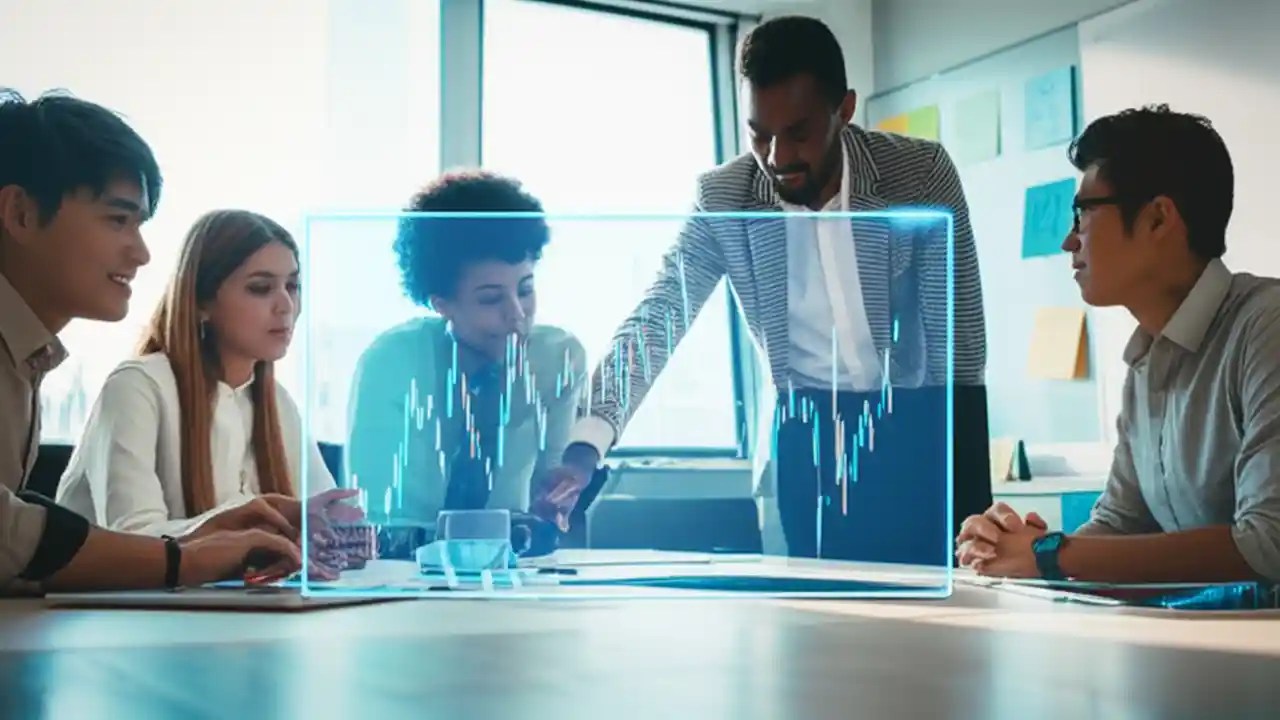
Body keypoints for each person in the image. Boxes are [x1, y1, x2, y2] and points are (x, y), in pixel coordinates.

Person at [531, 15, 989, 565]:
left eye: (797, 133)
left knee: (947, 612)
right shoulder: (726, 196)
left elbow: (958, 337)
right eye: (759, 134)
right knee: (827, 623)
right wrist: (584, 449)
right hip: (807, 431)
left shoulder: (918, 172)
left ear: (844, 110)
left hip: (918, 415)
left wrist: (966, 495)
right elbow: (658, 316)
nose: (776, 157)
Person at [956, 105, 1280, 584]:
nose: (1070, 241)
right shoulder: (1145, 359)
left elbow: (1266, 546)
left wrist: (1051, 555)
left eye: (1082, 214)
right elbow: (1122, 524)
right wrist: (1015, 550)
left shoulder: (1265, 328)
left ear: (1157, 219)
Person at [0, 89, 301, 594]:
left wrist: (196, 542)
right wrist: (182, 559)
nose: (140, 253)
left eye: (293, 286)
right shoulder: (139, 383)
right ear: (21, 214)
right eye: (118, 219)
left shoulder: (27, 359)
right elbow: (11, 537)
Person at [56, 209, 362, 572]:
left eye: (292, 286)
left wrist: (336, 537)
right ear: (202, 302)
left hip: (228, 614)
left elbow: (326, 521)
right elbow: (133, 539)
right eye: (260, 288)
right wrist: (250, 539)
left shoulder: (279, 404)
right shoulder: (138, 387)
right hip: (117, 620)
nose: (286, 305)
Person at [346, 171, 585, 553]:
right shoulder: (393, 362)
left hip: (512, 573)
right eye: (491, 299)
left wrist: (557, 500)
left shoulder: (557, 358)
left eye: (525, 289)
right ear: (442, 303)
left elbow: (550, 504)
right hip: (406, 576)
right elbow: (380, 527)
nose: (517, 315)